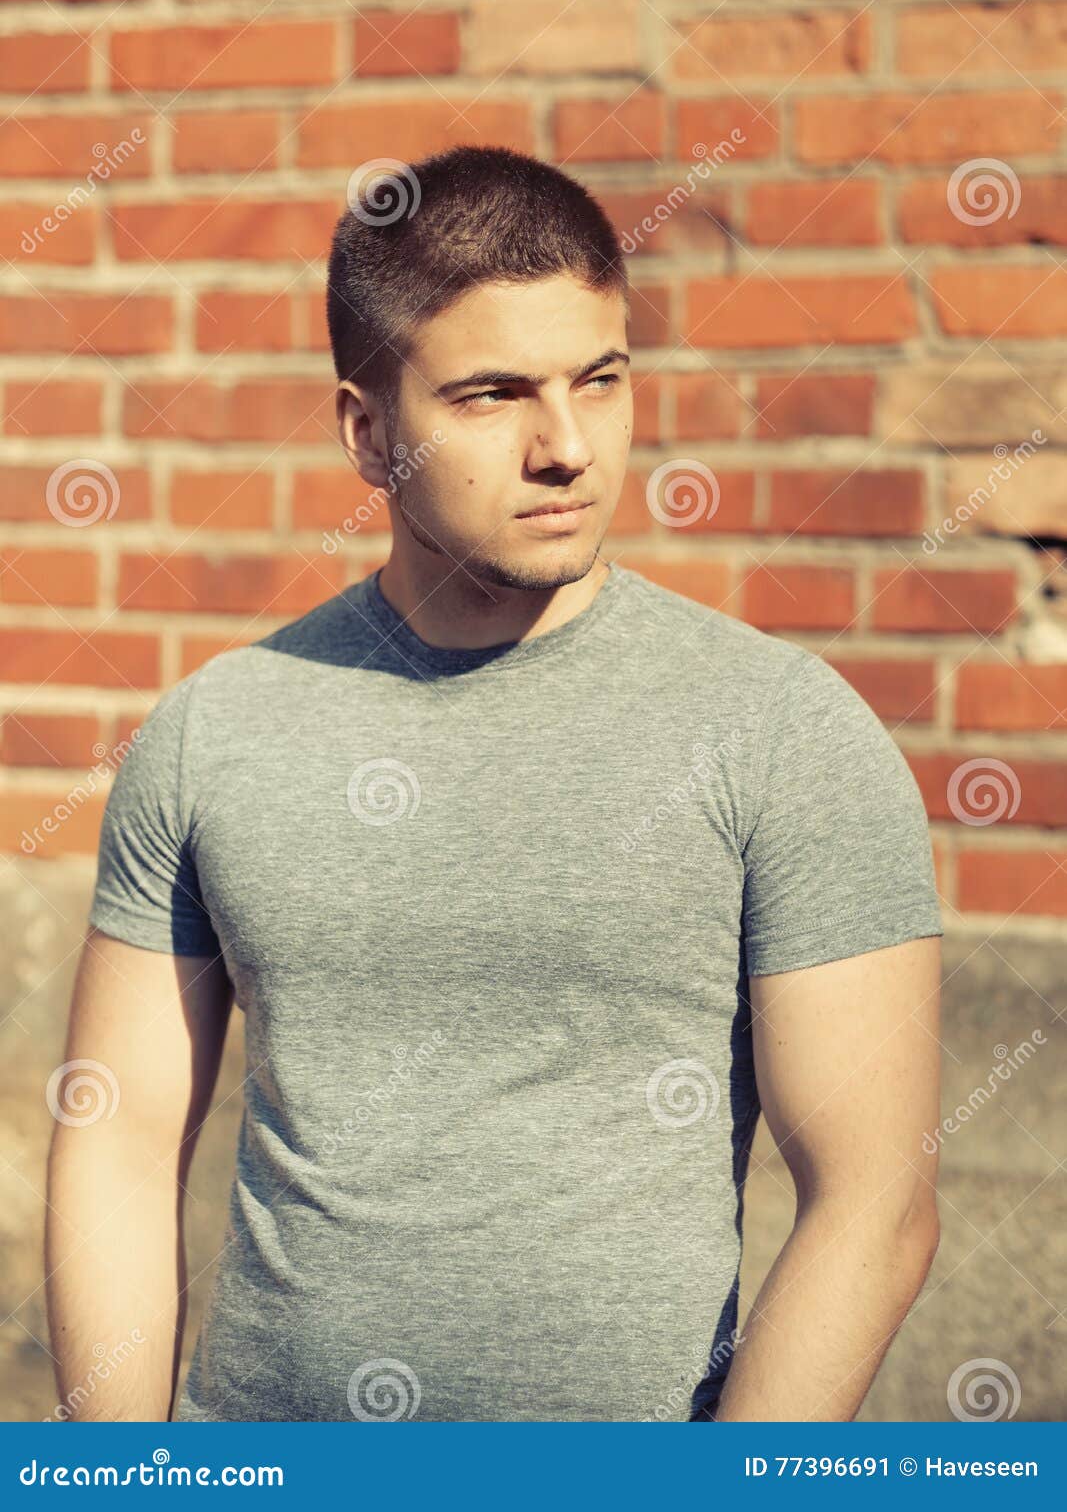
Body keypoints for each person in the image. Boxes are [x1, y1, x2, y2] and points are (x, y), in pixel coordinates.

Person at [45, 145, 944, 1423]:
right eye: (488, 395)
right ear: (369, 433)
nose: (566, 446)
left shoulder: (781, 733)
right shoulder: (214, 736)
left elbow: (876, 1203)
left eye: (601, 378)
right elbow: (121, 1150)